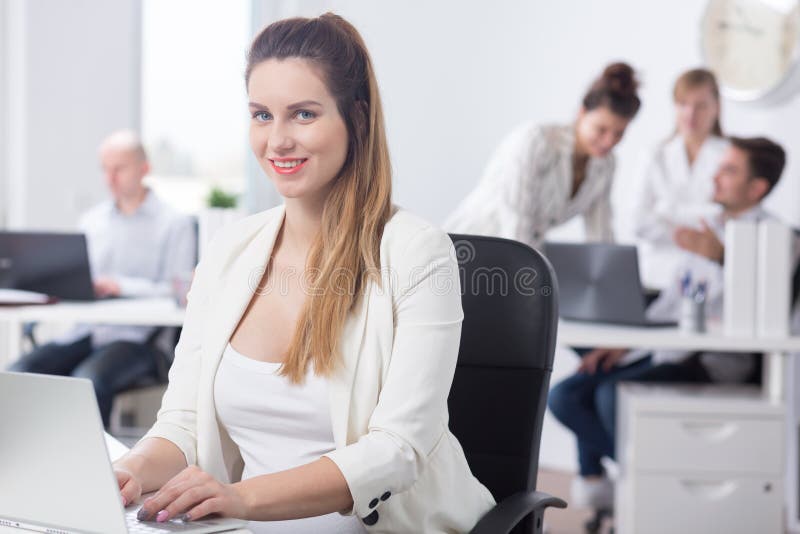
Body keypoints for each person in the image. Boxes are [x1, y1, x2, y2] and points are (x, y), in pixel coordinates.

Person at [112, 14, 494, 534]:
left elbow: (398, 449)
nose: (278, 140)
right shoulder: (229, 252)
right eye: (262, 115)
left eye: (304, 114)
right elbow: (182, 424)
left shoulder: (417, 253)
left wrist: (239, 497)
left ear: (355, 119)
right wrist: (128, 471)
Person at [547, 137, 787, 511]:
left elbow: (765, 306)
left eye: (729, 169)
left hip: (708, 362)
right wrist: (623, 344)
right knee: (565, 396)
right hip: (664, 346)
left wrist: (724, 258)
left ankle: (648, 491)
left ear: (757, 187)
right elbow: (674, 301)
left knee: (610, 396)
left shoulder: (775, 239)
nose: (716, 176)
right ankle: (639, 479)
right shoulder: (707, 227)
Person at [7, 130, 196, 427]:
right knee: (19, 371)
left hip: (140, 341)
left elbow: (179, 291)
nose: (110, 178)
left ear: (144, 169)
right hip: (87, 332)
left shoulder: (175, 223)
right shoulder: (92, 222)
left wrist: (122, 286)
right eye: (105, 169)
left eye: (119, 168)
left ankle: (91, 468)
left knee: (88, 380)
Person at [444, 62, 641, 250]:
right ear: (582, 113)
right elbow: (516, 221)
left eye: (619, 133)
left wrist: (611, 275)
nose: (609, 141)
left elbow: (601, 236)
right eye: (601, 129)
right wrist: (529, 277)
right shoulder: (535, 140)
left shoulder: (605, 165)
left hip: (519, 258)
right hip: (471, 246)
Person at [633, 68, 729, 289]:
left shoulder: (730, 157)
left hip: (712, 280)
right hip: (656, 277)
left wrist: (665, 211)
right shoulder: (654, 154)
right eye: (683, 104)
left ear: (717, 107)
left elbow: (727, 220)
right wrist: (702, 215)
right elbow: (638, 221)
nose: (690, 114)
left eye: (701, 105)